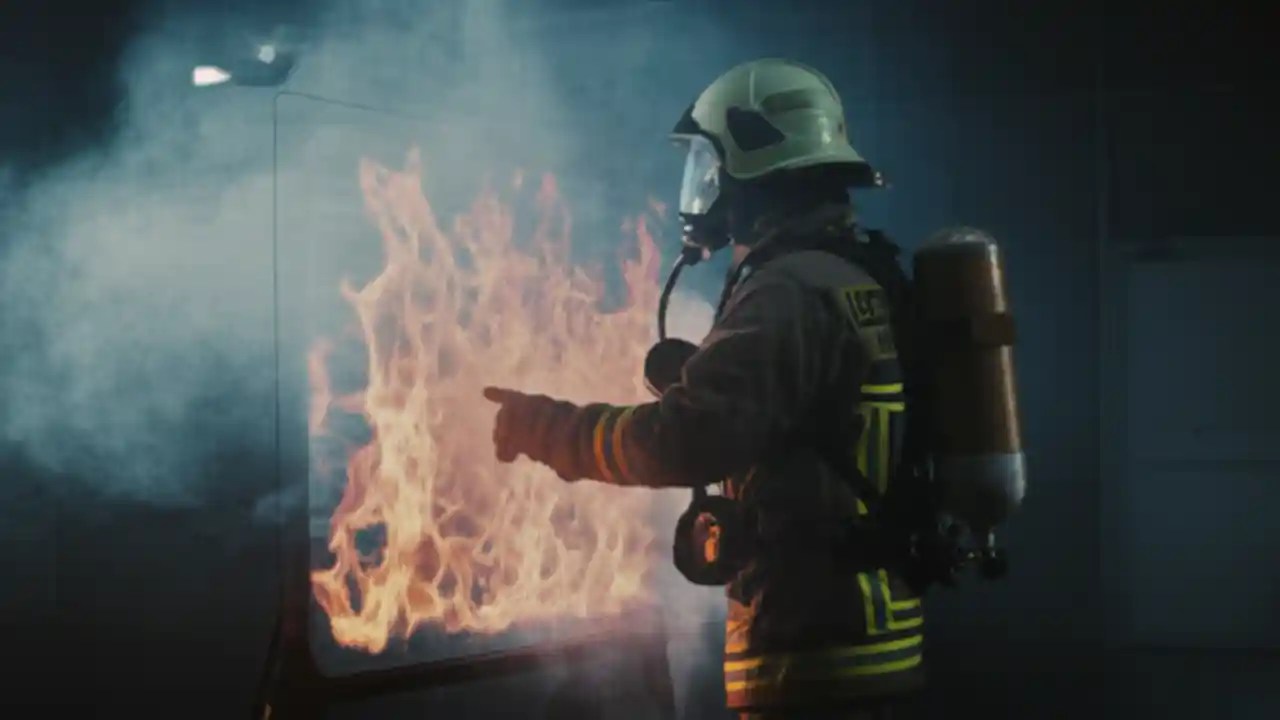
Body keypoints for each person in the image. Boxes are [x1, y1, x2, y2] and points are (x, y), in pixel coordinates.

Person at [485, 58, 926, 720]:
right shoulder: (855, 277)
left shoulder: (787, 290)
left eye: (709, 165)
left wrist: (551, 431)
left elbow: (684, 442)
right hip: (872, 641)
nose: (703, 188)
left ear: (755, 165)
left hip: (809, 655)